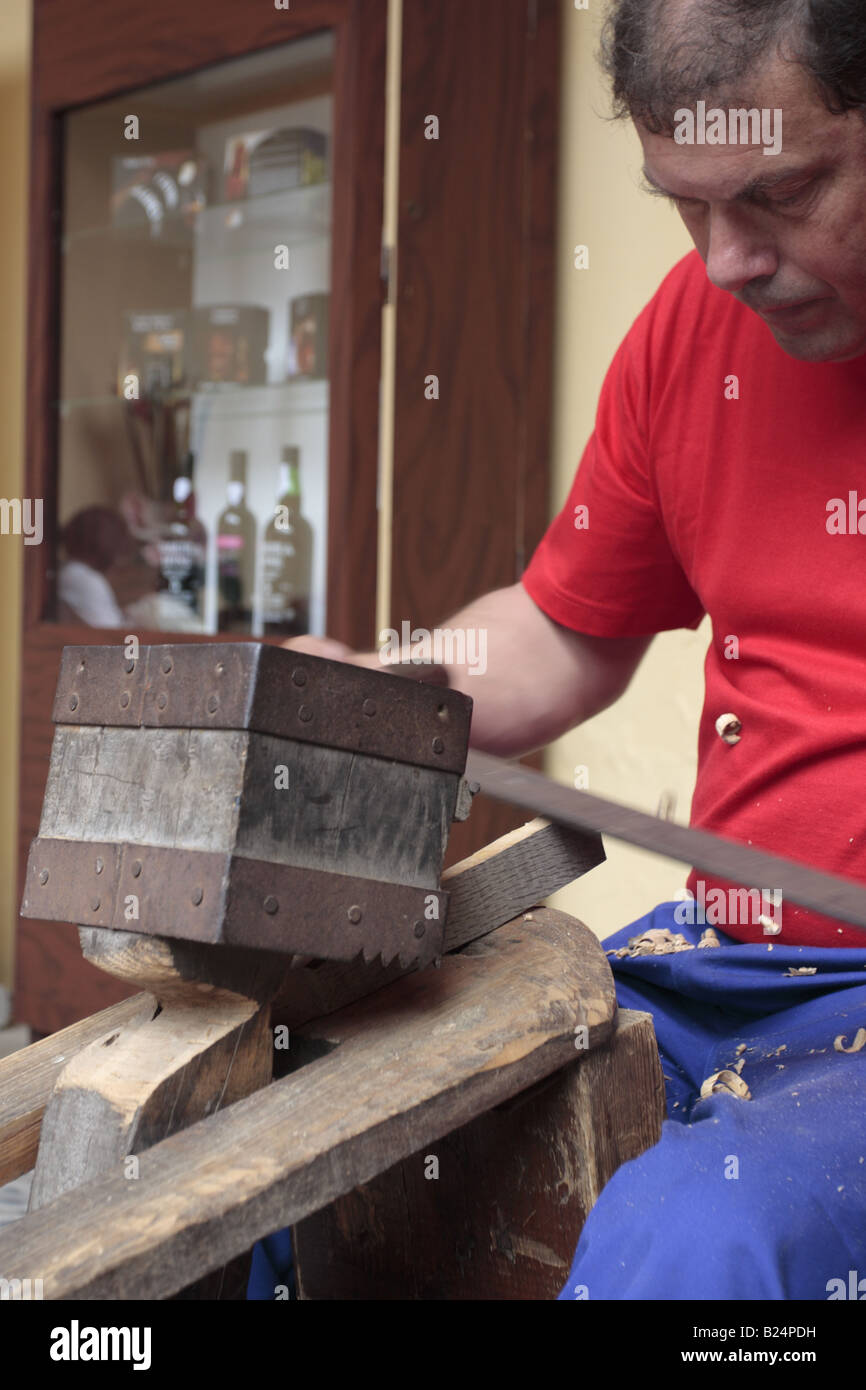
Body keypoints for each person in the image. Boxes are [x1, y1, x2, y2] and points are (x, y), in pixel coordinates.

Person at [253, 0, 866, 1300]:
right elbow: (561, 632)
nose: (724, 261)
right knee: (300, 1124)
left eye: (778, 193)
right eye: (682, 204)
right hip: (720, 956)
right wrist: (379, 691)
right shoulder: (694, 333)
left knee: (701, 1241)